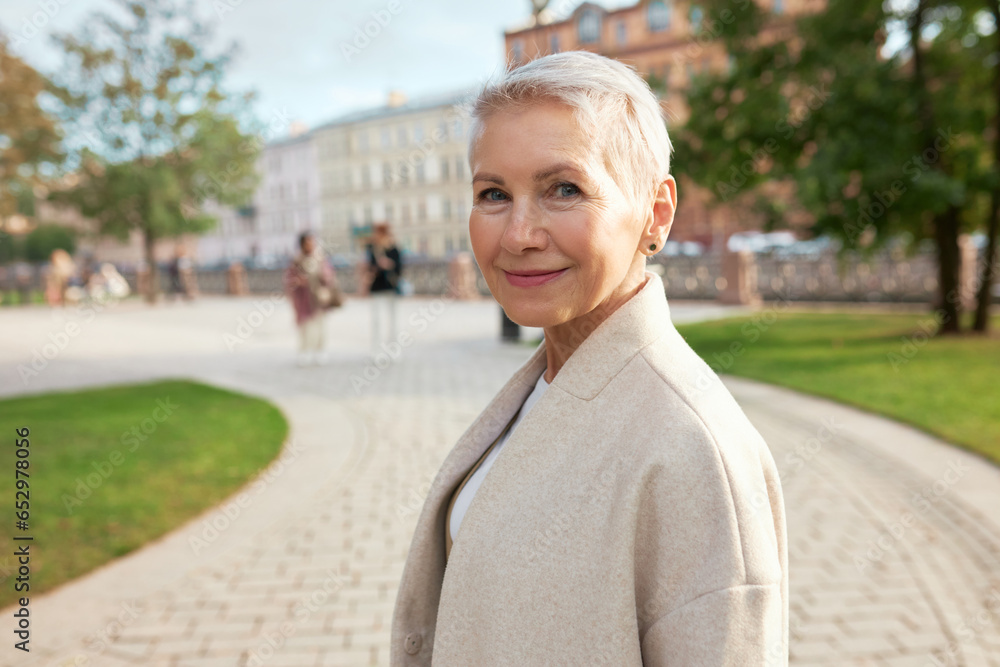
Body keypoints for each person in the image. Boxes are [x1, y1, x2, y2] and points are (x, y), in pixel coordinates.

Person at [390, 51, 788, 666]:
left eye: (564, 189)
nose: (519, 234)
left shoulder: (692, 449)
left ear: (656, 213)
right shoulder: (545, 384)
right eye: (494, 193)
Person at [283, 231, 341, 366]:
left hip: (318, 299)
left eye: (312, 242)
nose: (311, 245)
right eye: (308, 242)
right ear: (302, 244)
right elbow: (288, 279)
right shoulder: (296, 260)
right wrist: (298, 281)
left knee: (320, 326)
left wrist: (319, 278)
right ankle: (304, 352)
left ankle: (319, 351)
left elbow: (329, 276)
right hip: (303, 300)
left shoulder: (320, 259)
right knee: (305, 327)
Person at [366, 221, 403, 354]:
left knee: (393, 320)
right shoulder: (372, 249)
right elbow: (369, 267)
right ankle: (376, 351)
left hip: (391, 287)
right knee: (376, 321)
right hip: (377, 287)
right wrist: (375, 268)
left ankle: (393, 350)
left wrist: (389, 264)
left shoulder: (393, 248)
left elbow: (400, 269)